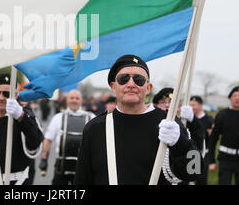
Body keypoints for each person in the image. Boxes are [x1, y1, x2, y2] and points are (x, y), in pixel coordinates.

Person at [74, 55, 202, 185]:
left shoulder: (168, 123)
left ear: (148, 88)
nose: (131, 84)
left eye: (139, 80)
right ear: (113, 87)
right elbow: (82, 179)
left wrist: (180, 144)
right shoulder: (95, 128)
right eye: (123, 79)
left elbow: (195, 171)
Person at [39, 90, 95, 185]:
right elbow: (48, 139)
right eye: (71, 98)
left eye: (77, 98)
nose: (74, 100)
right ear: (67, 100)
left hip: (82, 168)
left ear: (81, 100)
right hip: (61, 167)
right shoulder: (58, 117)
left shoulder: (91, 118)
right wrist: (44, 159)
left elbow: (97, 143)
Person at [189, 95, 214, 185]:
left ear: (200, 106)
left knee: (201, 180)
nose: (192, 107)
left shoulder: (208, 119)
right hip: (189, 153)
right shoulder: (186, 119)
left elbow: (212, 138)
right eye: (190, 105)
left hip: (203, 153)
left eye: (194, 105)